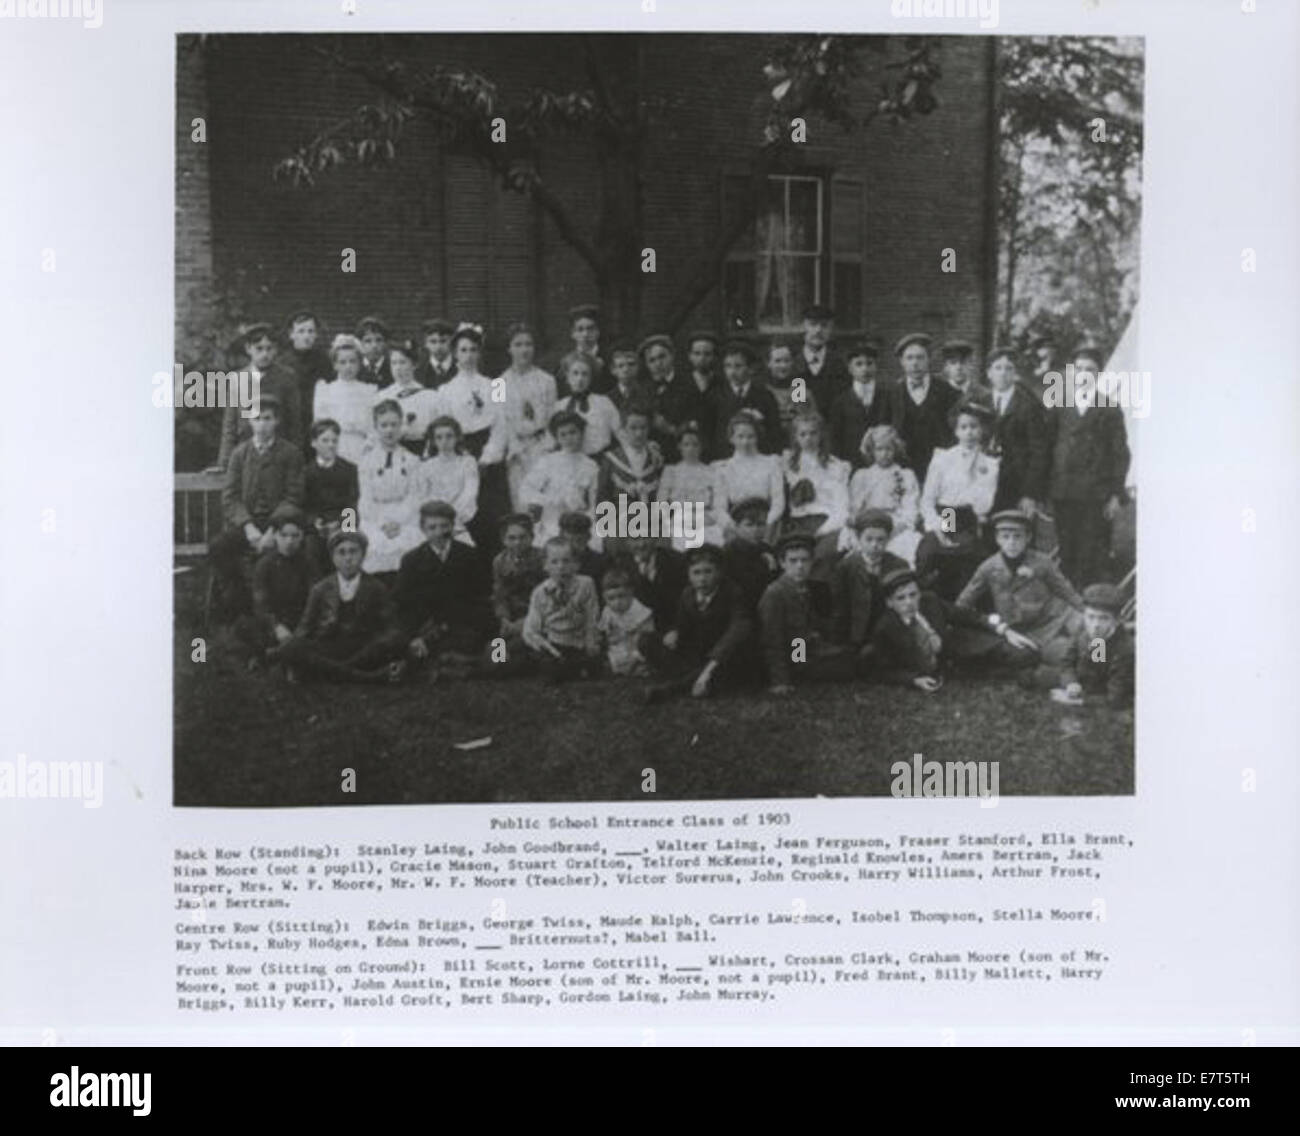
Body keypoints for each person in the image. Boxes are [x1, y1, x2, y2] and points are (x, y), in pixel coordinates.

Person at [210, 396, 304, 617]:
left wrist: (273, 530)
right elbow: (230, 497)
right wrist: (248, 526)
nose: (262, 424)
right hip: (248, 523)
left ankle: (282, 611)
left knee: (297, 549)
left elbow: (293, 496)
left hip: (278, 524)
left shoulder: (291, 453)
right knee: (219, 546)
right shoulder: (239, 454)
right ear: (249, 422)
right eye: (257, 418)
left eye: (267, 418)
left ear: (277, 421)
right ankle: (237, 606)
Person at [1045, 342, 1130, 586]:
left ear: (1099, 374)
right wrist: (1045, 489)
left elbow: (1120, 455)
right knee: (1067, 549)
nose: (1083, 375)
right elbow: (1047, 449)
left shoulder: (1110, 409)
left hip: (1096, 496)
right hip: (1065, 492)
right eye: (1078, 369)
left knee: (1094, 552)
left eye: (1090, 369)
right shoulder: (1059, 405)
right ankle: (1069, 604)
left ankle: (1092, 607)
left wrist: (1115, 494)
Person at [954, 509, 1084, 668]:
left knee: (1091, 630)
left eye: (1017, 537)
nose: (1012, 543)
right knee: (1065, 656)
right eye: (1005, 537)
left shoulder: (1043, 562)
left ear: (1028, 538)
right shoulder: (988, 568)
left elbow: (1066, 591)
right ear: (997, 539)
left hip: (1054, 618)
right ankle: (1084, 663)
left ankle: (1102, 659)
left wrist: (1088, 612)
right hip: (1024, 632)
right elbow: (963, 603)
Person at [276, 531, 406, 684]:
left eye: (353, 551)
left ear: (363, 555)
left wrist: (386, 640)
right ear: (333, 558)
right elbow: (305, 627)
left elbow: (392, 626)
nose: (348, 558)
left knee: (396, 641)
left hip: (363, 648)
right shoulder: (321, 588)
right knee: (290, 646)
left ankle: (330, 671)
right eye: (341, 552)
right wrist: (292, 648)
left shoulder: (376, 587)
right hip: (329, 646)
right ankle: (370, 677)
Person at [643, 545, 754, 701]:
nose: (702, 579)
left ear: (719, 573)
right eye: (696, 573)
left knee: (733, 659)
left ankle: (673, 688)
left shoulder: (732, 593)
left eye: (708, 572)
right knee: (647, 641)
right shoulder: (688, 594)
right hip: (697, 654)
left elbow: (738, 629)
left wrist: (708, 671)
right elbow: (681, 624)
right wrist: (675, 632)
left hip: (722, 655)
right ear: (688, 575)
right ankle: (695, 677)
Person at [393, 501, 491, 675]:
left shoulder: (469, 555)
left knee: (473, 639)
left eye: (444, 526)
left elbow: (480, 595)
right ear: (423, 529)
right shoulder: (411, 560)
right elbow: (403, 603)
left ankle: (445, 662)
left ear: (453, 526)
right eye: (432, 527)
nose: (439, 533)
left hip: (461, 622)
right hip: (425, 623)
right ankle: (446, 661)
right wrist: (413, 635)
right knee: (397, 642)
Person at [915, 401, 999, 600]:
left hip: (970, 517)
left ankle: (963, 606)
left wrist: (977, 472)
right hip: (947, 514)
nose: (969, 433)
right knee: (933, 550)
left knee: (971, 554)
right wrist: (939, 527)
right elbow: (927, 499)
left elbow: (984, 504)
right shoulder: (943, 458)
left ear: (982, 430)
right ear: (956, 431)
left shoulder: (989, 463)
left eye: (974, 427)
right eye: (963, 427)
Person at [435, 324, 509, 551]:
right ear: (455, 353)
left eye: (473, 350)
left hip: (489, 454)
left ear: (480, 353)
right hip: (461, 451)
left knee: (491, 515)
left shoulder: (497, 384)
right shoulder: (445, 389)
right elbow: (445, 426)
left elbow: (502, 424)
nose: (468, 356)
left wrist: (488, 458)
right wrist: (461, 455)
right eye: (463, 350)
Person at [758, 533, 855, 694]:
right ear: (782, 563)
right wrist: (780, 680)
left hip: (806, 647)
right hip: (795, 655)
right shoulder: (775, 593)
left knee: (849, 654)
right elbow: (772, 639)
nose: (800, 566)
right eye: (793, 561)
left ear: (812, 562)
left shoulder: (806, 587)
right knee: (850, 665)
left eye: (804, 560)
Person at [216, 322, 302, 469]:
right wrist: (225, 462)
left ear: (276, 350)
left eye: (269, 349)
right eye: (259, 349)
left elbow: (294, 423)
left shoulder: (286, 377)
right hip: (246, 454)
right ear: (248, 349)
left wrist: (295, 460)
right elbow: (230, 425)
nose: (265, 354)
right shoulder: (237, 378)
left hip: (278, 454)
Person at [234, 510, 312, 670]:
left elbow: (314, 599)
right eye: (284, 535)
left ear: (302, 537)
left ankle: (275, 656)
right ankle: (280, 655)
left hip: (298, 621)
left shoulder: (308, 563)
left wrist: (301, 628)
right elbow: (260, 603)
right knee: (245, 625)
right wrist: (276, 626)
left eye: (295, 536)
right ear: (275, 536)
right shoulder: (265, 564)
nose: (289, 541)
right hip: (272, 623)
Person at [356, 400, 424, 578]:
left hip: (406, 518)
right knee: (374, 545)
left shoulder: (412, 460)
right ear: (376, 427)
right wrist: (382, 524)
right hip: (375, 518)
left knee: (411, 547)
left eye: (394, 424)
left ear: (401, 425)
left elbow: (415, 496)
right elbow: (365, 499)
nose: (389, 430)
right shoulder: (366, 461)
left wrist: (399, 523)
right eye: (384, 425)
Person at [781, 410, 850, 579]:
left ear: (821, 435)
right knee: (797, 560)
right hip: (797, 524)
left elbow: (842, 508)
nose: (808, 438)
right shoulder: (787, 464)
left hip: (827, 523)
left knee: (821, 558)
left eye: (813, 433)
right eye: (802, 434)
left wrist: (821, 531)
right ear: (795, 437)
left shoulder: (835, 466)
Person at [521, 537, 601, 683]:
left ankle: (576, 667)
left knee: (594, 662)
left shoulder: (586, 584)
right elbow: (531, 628)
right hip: (553, 642)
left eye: (566, 561)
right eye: (554, 562)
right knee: (550, 668)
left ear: (576, 564)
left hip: (579, 641)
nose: (561, 567)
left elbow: (592, 615)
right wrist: (548, 648)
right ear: (545, 566)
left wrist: (591, 641)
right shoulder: (540, 592)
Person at [496, 322, 557, 509]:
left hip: (542, 446)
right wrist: (513, 448)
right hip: (516, 451)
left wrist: (548, 449)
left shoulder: (547, 380)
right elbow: (500, 422)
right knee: (521, 502)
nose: (524, 350)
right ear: (509, 349)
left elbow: (552, 417)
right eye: (518, 344)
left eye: (528, 344)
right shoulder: (498, 383)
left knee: (544, 500)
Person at [830, 508, 910, 652]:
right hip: (857, 637)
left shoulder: (898, 565)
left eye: (881, 539)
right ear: (858, 538)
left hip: (889, 636)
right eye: (869, 539)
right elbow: (840, 610)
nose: (874, 545)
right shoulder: (846, 567)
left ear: (888, 539)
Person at [983, 346, 1050, 514]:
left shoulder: (1029, 405)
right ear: (988, 373)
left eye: (1009, 368)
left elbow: (1039, 453)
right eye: (997, 368)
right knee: (981, 534)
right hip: (981, 482)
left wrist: (1030, 494)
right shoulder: (978, 401)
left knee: (1016, 533)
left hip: (1017, 485)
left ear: (1015, 373)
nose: (1003, 373)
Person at [519, 410, 600, 547]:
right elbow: (525, 491)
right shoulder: (548, 461)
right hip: (552, 524)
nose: (568, 438)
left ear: (581, 433)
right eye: (563, 434)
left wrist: (586, 516)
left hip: (578, 526)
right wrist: (551, 500)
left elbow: (594, 503)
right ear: (556, 437)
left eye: (573, 432)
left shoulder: (591, 466)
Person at [865, 568, 953, 692]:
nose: (909, 602)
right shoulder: (885, 629)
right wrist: (914, 679)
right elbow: (882, 671)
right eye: (901, 598)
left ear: (920, 594)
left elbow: (958, 614)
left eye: (913, 595)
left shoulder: (929, 603)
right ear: (889, 602)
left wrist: (988, 620)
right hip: (923, 667)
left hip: (948, 655)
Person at [1048, 582, 1134, 708]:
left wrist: (1077, 701)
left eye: (1103, 618)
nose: (1095, 625)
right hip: (1084, 683)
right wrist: (1071, 683)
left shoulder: (1126, 650)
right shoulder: (1084, 629)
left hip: (1107, 692)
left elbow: (1116, 699)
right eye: (1091, 617)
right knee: (1037, 675)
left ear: (1117, 621)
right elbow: (1067, 662)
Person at [887, 332, 958, 480]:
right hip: (903, 466)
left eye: (920, 357)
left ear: (928, 359)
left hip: (939, 465)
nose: (915, 363)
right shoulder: (891, 394)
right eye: (909, 358)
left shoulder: (948, 392)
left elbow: (954, 431)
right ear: (902, 361)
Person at [847, 425, 922, 565]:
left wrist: (894, 530)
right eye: (879, 449)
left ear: (896, 450)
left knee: (908, 544)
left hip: (896, 526)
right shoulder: (862, 476)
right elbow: (855, 510)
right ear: (872, 451)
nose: (884, 454)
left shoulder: (906, 475)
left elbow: (910, 510)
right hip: (868, 524)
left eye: (889, 449)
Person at [711, 410, 785, 540]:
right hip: (736, 524)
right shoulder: (723, 468)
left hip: (767, 523)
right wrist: (733, 527)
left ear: (757, 437)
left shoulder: (771, 463)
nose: (745, 442)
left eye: (750, 436)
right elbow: (719, 506)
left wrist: (766, 524)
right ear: (731, 438)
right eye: (740, 437)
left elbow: (778, 501)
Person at [302, 418, 359, 578]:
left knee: (346, 546)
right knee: (311, 549)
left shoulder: (349, 469)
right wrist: (315, 523)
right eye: (325, 440)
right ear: (314, 443)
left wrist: (341, 524)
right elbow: (303, 505)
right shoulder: (306, 472)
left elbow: (352, 503)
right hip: (316, 529)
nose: (331, 445)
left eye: (334, 440)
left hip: (343, 524)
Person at [656, 422, 723, 551]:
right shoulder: (671, 471)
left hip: (706, 521)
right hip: (679, 521)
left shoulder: (712, 471)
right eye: (686, 445)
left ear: (701, 447)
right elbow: (661, 503)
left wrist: (711, 518)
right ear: (679, 446)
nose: (691, 449)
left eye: (695, 444)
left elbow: (719, 503)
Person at [489, 513, 546, 662]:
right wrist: (504, 619)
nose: (517, 542)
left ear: (532, 537)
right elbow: (499, 594)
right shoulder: (500, 561)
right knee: (494, 657)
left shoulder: (542, 558)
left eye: (523, 537)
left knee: (516, 650)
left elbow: (548, 595)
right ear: (503, 540)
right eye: (512, 538)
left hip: (539, 616)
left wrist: (526, 621)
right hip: (512, 617)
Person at [314, 334, 377, 464]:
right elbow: (320, 424)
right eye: (342, 362)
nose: (348, 366)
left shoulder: (369, 390)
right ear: (335, 365)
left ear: (359, 364)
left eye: (352, 361)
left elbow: (374, 427)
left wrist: (368, 447)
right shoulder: (325, 390)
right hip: (334, 446)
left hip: (362, 448)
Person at [711, 340, 781, 456]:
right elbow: (713, 433)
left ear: (750, 368)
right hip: (726, 458)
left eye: (738, 366)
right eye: (728, 366)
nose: (732, 372)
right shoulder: (716, 396)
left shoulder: (764, 396)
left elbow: (774, 432)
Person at [418, 415, 479, 546]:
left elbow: (469, 493)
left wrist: (451, 517)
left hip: (457, 521)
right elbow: (422, 496)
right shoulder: (426, 466)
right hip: (432, 521)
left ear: (457, 438)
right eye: (439, 437)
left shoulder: (467, 462)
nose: (444, 441)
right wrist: (435, 517)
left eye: (449, 436)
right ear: (433, 441)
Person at [826, 338, 888, 465]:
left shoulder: (887, 397)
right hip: (850, 462)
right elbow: (835, 437)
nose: (865, 369)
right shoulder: (840, 401)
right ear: (850, 368)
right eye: (859, 364)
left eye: (869, 363)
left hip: (882, 461)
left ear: (876, 366)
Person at [378, 339, 440, 456]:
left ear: (414, 364)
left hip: (421, 452)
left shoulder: (430, 396)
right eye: (394, 363)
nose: (398, 368)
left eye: (402, 362)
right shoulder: (382, 396)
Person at [617, 536, 687, 633]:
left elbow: (686, 602)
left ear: (655, 538)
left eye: (646, 537)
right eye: (635, 539)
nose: (641, 544)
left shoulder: (676, 562)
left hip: (672, 631)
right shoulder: (620, 565)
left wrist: (676, 630)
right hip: (636, 630)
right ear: (626, 542)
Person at [720, 497, 778, 615]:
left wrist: (772, 569)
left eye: (761, 524)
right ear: (736, 527)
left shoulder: (768, 550)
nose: (756, 530)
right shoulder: (727, 553)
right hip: (737, 613)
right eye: (749, 525)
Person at [555, 353, 619, 456]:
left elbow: (621, 432)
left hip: (600, 460)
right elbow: (551, 441)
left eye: (585, 374)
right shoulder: (559, 406)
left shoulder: (603, 402)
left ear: (591, 378)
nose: (580, 379)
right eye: (575, 373)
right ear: (567, 376)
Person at [284, 310, 332, 444]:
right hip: (290, 425)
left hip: (315, 423)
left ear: (316, 334)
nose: (306, 336)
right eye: (301, 331)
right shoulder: (282, 362)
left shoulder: (324, 362)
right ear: (291, 334)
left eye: (311, 331)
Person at [597, 568, 655, 677]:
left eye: (621, 596)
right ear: (604, 598)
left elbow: (647, 634)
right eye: (611, 598)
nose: (617, 602)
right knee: (608, 662)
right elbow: (604, 631)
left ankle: (637, 669)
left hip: (635, 649)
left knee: (641, 660)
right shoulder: (608, 611)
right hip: (617, 648)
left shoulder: (639, 611)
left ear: (631, 593)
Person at [793, 303, 850, 410]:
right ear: (803, 327)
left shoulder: (841, 364)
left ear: (831, 329)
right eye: (813, 324)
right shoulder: (791, 361)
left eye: (824, 325)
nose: (818, 330)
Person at [766, 338, 819, 446]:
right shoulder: (762, 390)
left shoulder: (799, 389)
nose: (783, 366)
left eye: (787, 361)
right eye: (778, 361)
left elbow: (811, 421)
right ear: (768, 363)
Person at [556, 304, 605, 394]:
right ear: (573, 334)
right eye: (580, 329)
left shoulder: (608, 361)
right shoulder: (564, 364)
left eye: (590, 329)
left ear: (598, 332)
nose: (585, 334)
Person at [606, 340, 651, 424]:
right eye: (621, 366)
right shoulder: (607, 399)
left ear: (638, 366)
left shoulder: (648, 394)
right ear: (613, 370)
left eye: (631, 364)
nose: (626, 369)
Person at [415, 317, 457, 389]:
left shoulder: (462, 368)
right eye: (433, 342)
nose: (438, 347)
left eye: (443, 341)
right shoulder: (418, 373)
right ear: (425, 344)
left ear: (452, 342)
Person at [355, 315, 393, 386]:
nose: (374, 346)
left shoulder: (393, 369)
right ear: (359, 344)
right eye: (368, 341)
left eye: (379, 340)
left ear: (386, 343)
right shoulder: (354, 369)